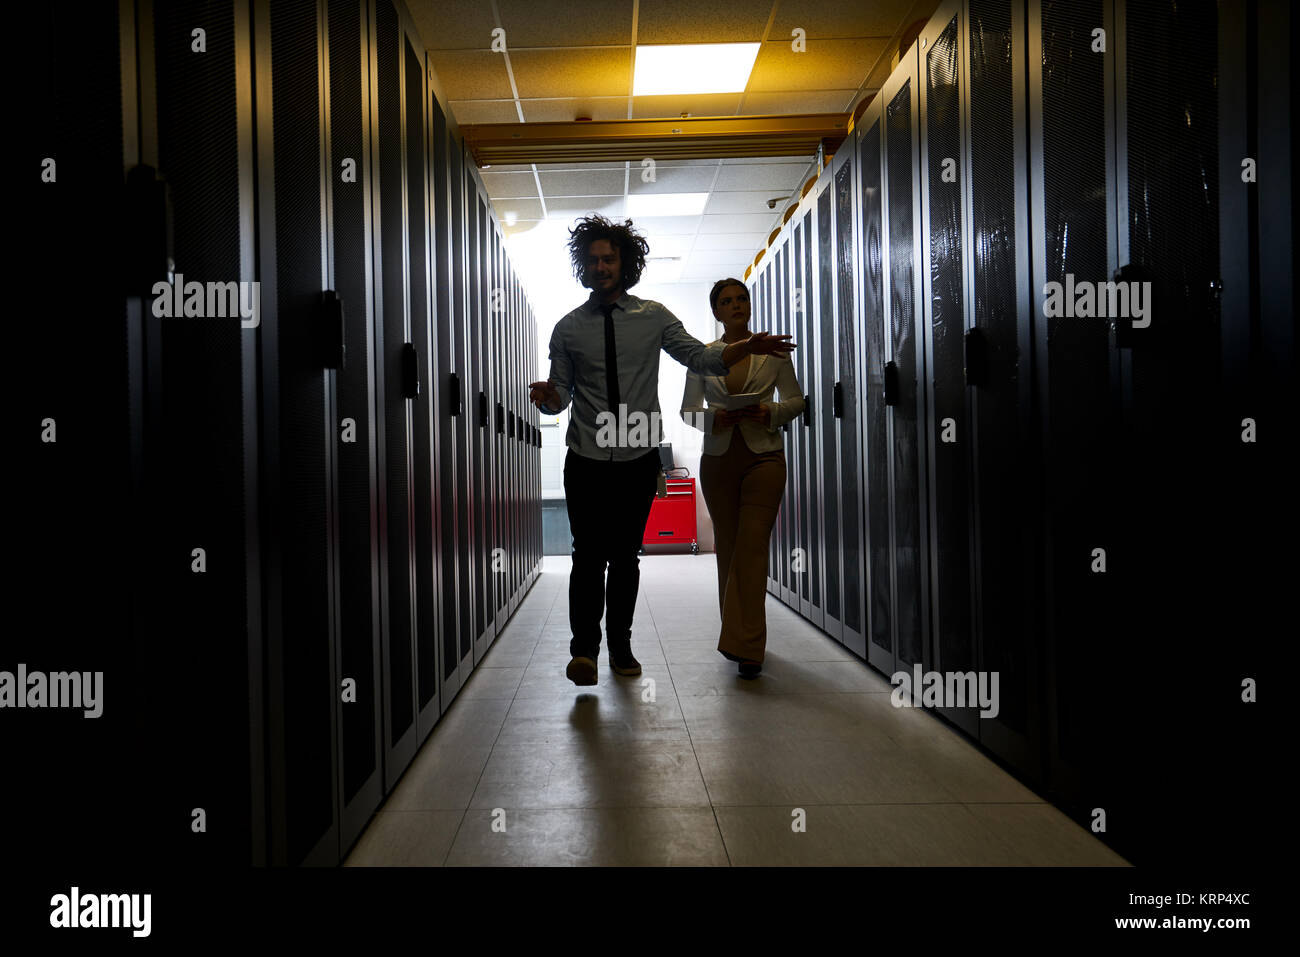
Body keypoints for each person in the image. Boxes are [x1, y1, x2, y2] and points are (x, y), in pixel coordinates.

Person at [528, 217, 796, 687]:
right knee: (587, 554)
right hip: (587, 457)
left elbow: (701, 357)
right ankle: (583, 652)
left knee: (627, 555)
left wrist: (747, 346)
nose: (600, 266)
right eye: (592, 260)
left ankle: (622, 647)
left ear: (624, 263)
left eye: (609, 258)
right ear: (583, 268)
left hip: (636, 456)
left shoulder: (653, 316)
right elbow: (562, 394)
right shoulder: (567, 328)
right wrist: (549, 397)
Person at [680, 278, 806, 678]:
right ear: (716, 312)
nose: (736, 305)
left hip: (765, 457)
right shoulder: (703, 357)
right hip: (718, 459)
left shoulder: (772, 352)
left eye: (741, 299)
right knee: (730, 551)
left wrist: (771, 413)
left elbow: (796, 399)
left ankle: (748, 648)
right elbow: (687, 411)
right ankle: (736, 634)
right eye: (726, 301)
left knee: (752, 549)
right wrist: (714, 418)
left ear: (749, 305)